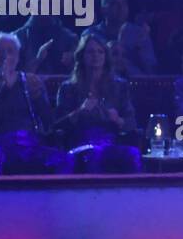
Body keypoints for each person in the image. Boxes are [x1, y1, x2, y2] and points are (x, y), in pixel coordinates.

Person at [0, 33, 71, 175]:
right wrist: (6, 89)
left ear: (18, 56)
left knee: (65, 159)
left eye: (10, 51)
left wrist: (38, 98)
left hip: (29, 144)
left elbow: (49, 123)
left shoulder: (30, 81)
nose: (5, 56)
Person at [54, 32, 141, 173]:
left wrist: (118, 119)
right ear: (82, 56)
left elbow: (132, 122)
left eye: (100, 52)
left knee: (132, 154)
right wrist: (79, 112)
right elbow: (57, 124)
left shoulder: (119, 86)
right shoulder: (68, 88)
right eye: (90, 52)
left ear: (106, 57)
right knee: (93, 155)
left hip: (110, 143)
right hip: (80, 143)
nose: (96, 56)